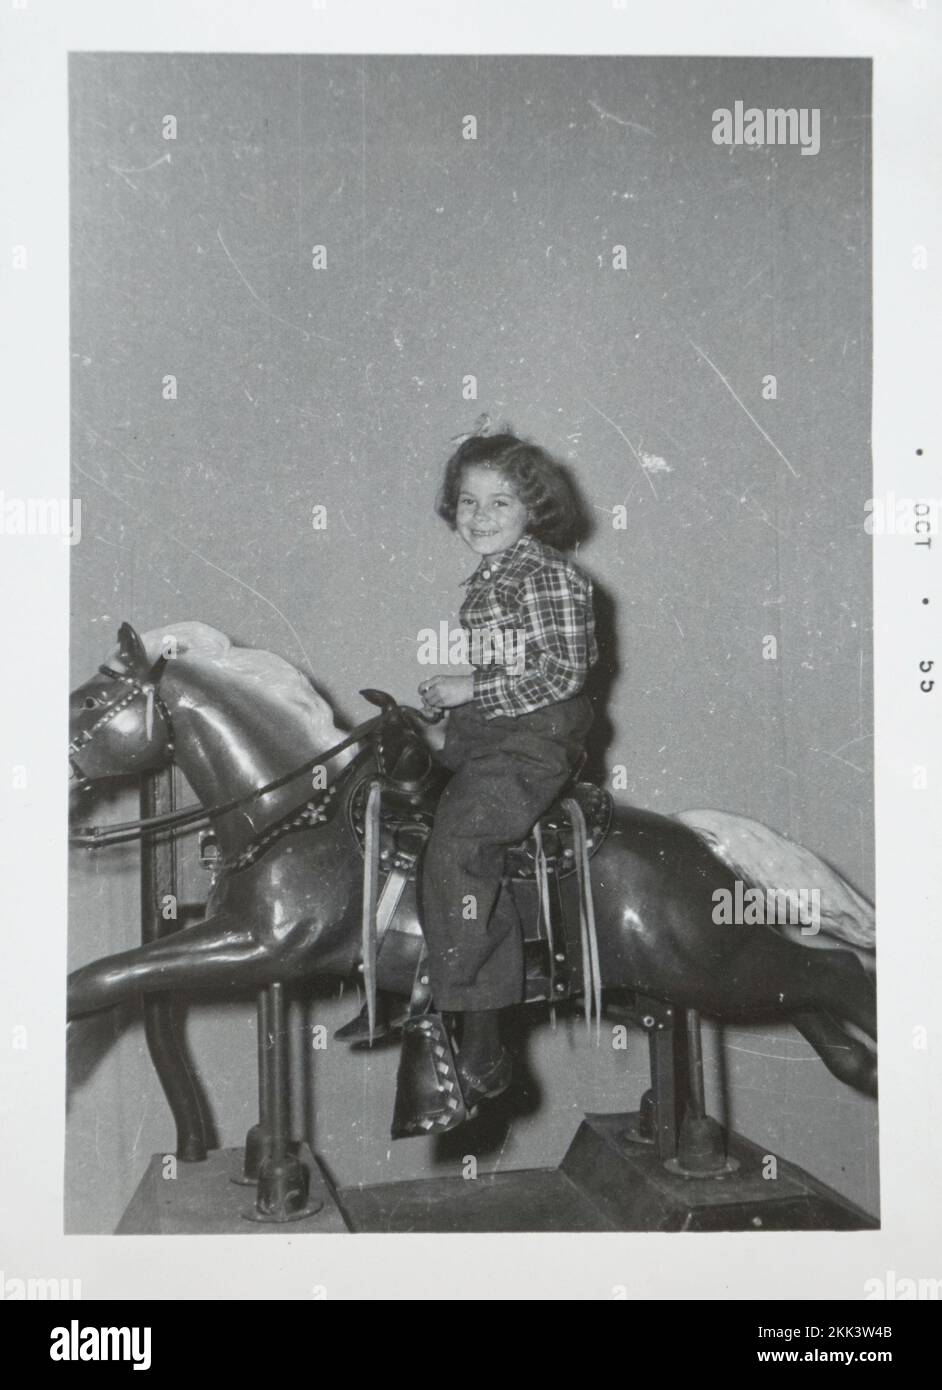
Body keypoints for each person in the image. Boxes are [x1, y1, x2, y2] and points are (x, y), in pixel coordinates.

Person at [416, 430, 597, 1122]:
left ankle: (485, 1026)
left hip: (534, 744)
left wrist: (473, 690)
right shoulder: (493, 577)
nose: (479, 515)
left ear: (535, 510)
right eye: (468, 501)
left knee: (461, 844)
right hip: (492, 737)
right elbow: (502, 674)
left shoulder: (548, 575)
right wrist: (451, 700)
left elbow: (559, 673)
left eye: (500, 501)